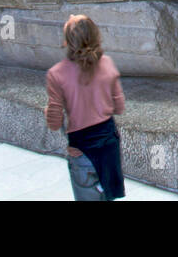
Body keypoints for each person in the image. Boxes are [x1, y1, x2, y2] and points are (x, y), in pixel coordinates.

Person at [46, 14, 126, 201]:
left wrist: (50, 111)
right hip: (108, 146)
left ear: (67, 42)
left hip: (83, 152)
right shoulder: (107, 64)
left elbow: (54, 123)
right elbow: (119, 107)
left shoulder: (57, 74)